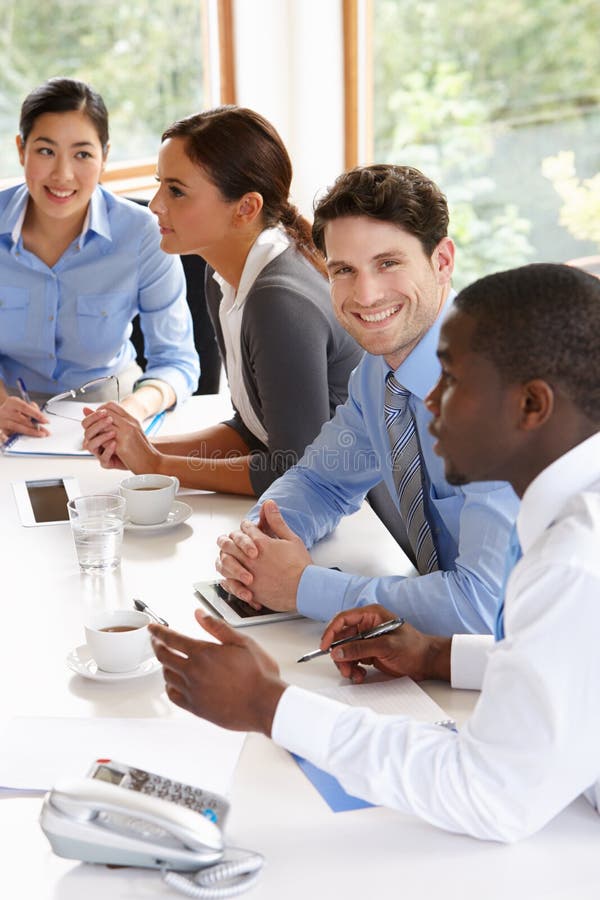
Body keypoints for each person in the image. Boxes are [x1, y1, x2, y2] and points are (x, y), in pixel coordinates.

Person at [150, 262, 600, 843]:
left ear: (531, 406)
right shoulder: (571, 520)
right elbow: (568, 660)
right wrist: (440, 656)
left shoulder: (576, 560)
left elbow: (491, 794)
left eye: (454, 381)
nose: (428, 400)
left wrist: (270, 705)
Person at [216, 165, 518, 634]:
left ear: (442, 261)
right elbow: (322, 480)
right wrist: (259, 542)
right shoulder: (379, 373)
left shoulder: (498, 395)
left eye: (388, 263)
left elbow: (481, 606)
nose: (366, 294)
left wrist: (302, 587)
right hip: (447, 655)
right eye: (344, 270)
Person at [82, 107, 362, 496]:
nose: (156, 205)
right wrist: (138, 449)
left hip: (362, 517)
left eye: (176, 191)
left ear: (246, 208)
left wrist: (158, 465)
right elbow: (253, 431)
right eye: (160, 184)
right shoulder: (222, 278)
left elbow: (294, 471)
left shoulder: (277, 301)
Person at [0, 77, 199, 442]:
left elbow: (178, 361)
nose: (62, 174)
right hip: (9, 420)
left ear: (105, 156)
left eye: (82, 154)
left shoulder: (145, 235)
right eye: (45, 151)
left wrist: (133, 411)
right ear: (21, 149)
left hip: (110, 416)